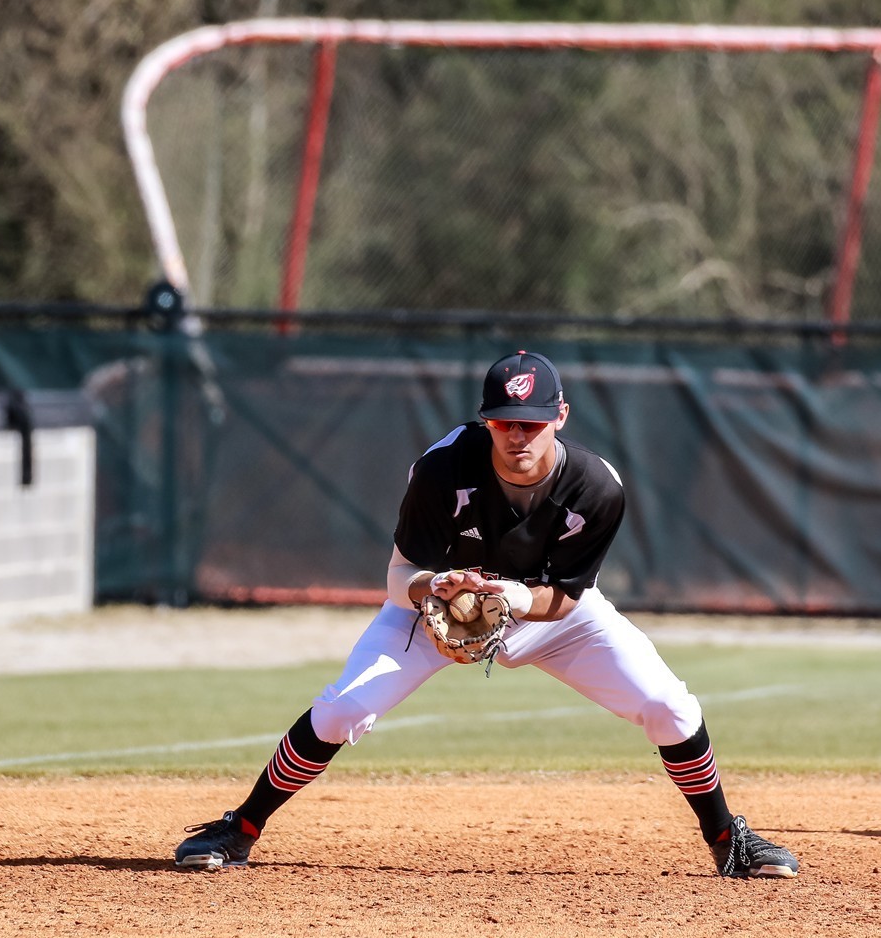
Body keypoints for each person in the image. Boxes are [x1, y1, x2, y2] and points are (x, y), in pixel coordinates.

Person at [174, 350, 799, 878]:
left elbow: (567, 598)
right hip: (440, 608)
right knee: (342, 709)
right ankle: (241, 828)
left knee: (670, 707)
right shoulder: (443, 468)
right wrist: (436, 588)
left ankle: (727, 843)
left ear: (560, 416)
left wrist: (512, 601)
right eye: (504, 423)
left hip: (550, 616)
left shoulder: (596, 488)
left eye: (531, 422)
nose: (518, 436)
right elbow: (397, 578)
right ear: (486, 422)